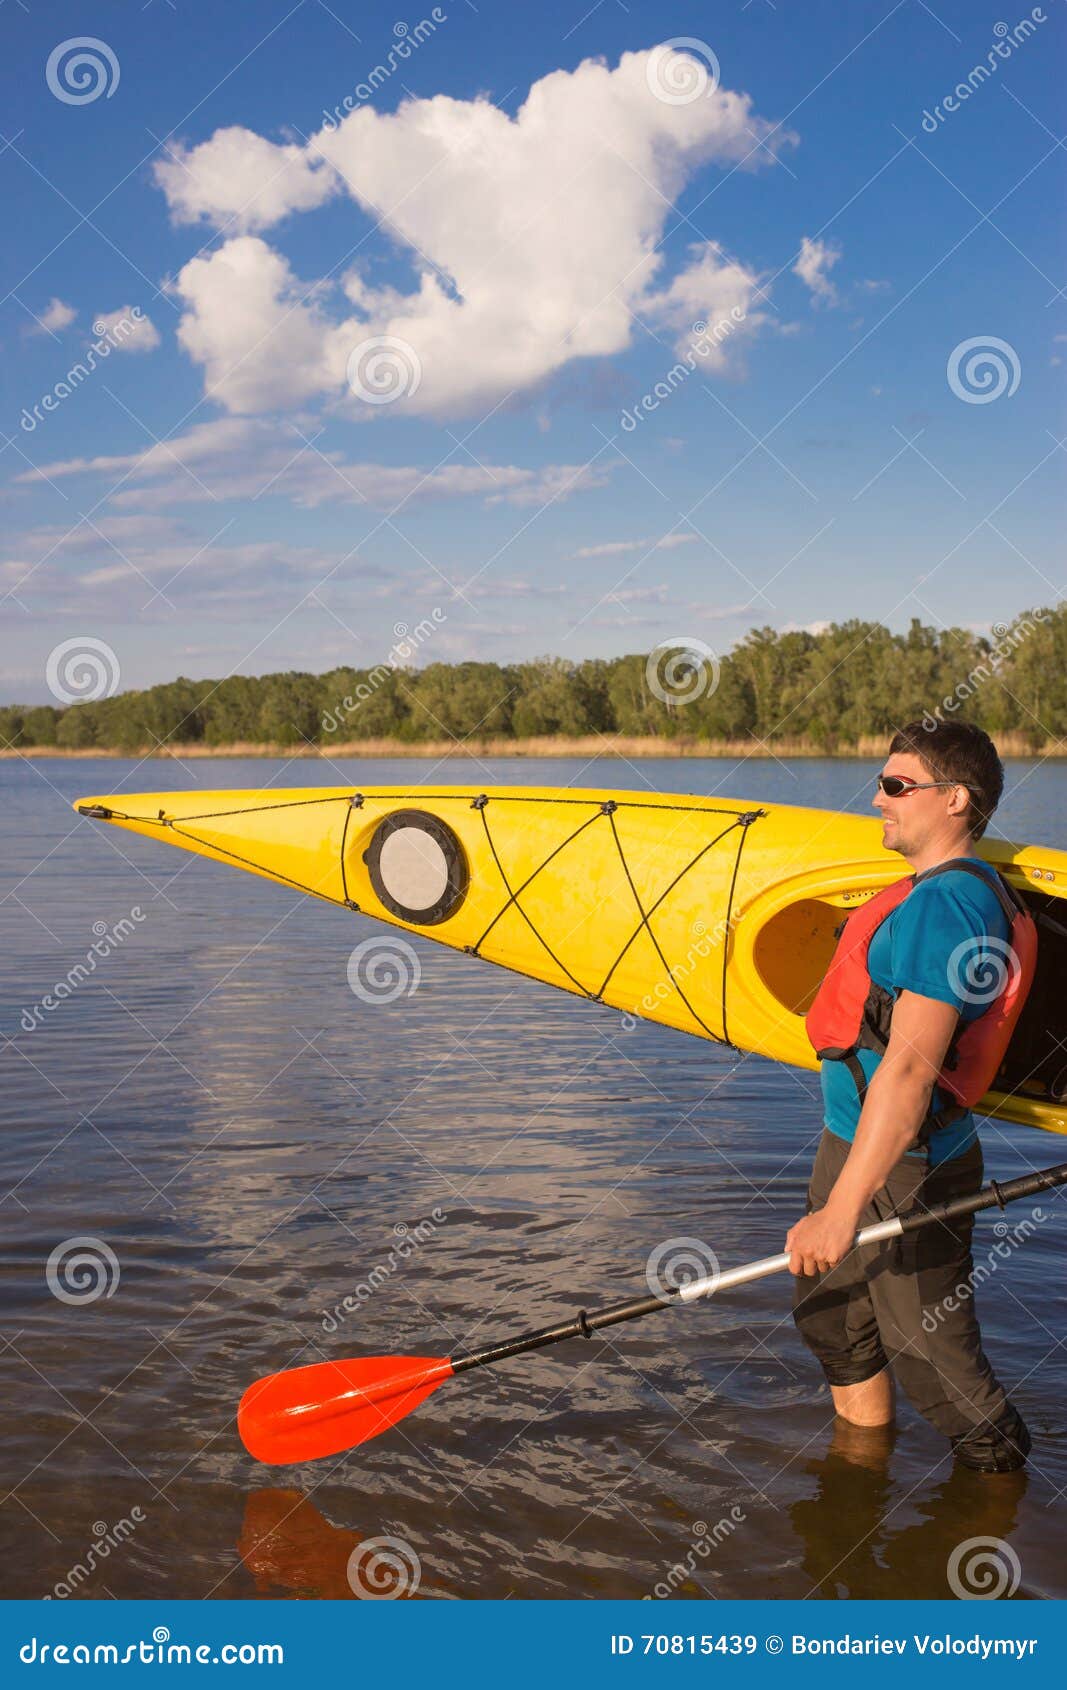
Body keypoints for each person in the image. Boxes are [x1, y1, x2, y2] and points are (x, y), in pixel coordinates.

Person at [788, 719, 1033, 1473]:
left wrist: (840, 1207)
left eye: (896, 786)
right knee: (829, 1314)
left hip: (906, 1160)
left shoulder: (946, 908)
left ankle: (1003, 1499)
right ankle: (858, 1473)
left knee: (932, 1363)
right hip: (856, 1139)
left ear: (954, 799)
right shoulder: (926, 892)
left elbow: (909, 1070)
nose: (877, 800)